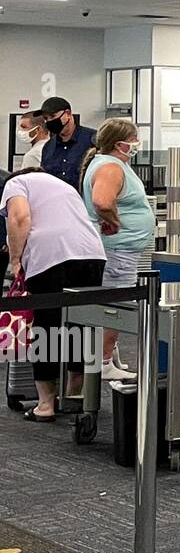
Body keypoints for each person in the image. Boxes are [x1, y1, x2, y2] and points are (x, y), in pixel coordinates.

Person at [1, 168, 105, 421]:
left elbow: (19, 218)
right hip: (92, 253)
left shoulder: (15, 183)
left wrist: (15, 260)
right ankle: (77, 396)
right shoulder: (62, 185)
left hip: (51, 257)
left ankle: (46, 405)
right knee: (83, 325)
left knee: (47, 326)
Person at [81, 119, 154, 382]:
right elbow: (102, 201)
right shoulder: (110, 167)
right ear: (120, 143)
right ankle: (103, 360)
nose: (136, 143)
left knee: (114, 301)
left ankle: (107, 354)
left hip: (122, 249)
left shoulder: (113, 164)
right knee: (116, 304)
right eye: (133, 138)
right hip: (117, 250)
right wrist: (114, 221)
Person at [38, 96, 96, 187]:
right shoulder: (48, 147)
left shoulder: (93, 139)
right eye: (46, 118)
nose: (49, 121)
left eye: (53, 116)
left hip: (83, 199)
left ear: (68, 114)